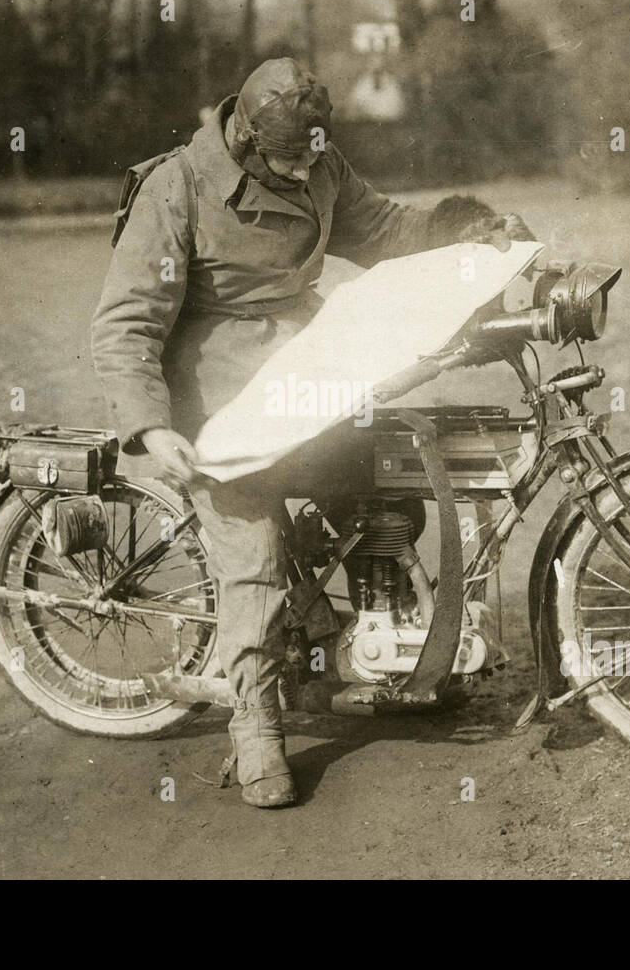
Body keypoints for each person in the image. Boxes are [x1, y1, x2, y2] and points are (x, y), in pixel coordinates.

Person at [91, 57, 532, 808]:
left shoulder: (317, 158)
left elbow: (385, 227)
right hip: (220, 398)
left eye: (313, 157)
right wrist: (150, 428)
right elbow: (126, 324)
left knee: (393, 483)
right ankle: (256, 725)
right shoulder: (179, 187)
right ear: (246, 137)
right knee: (254, 558)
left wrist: (471, 231)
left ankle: (370, 646)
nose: (305, 173)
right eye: (289, 161)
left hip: (310, 369)